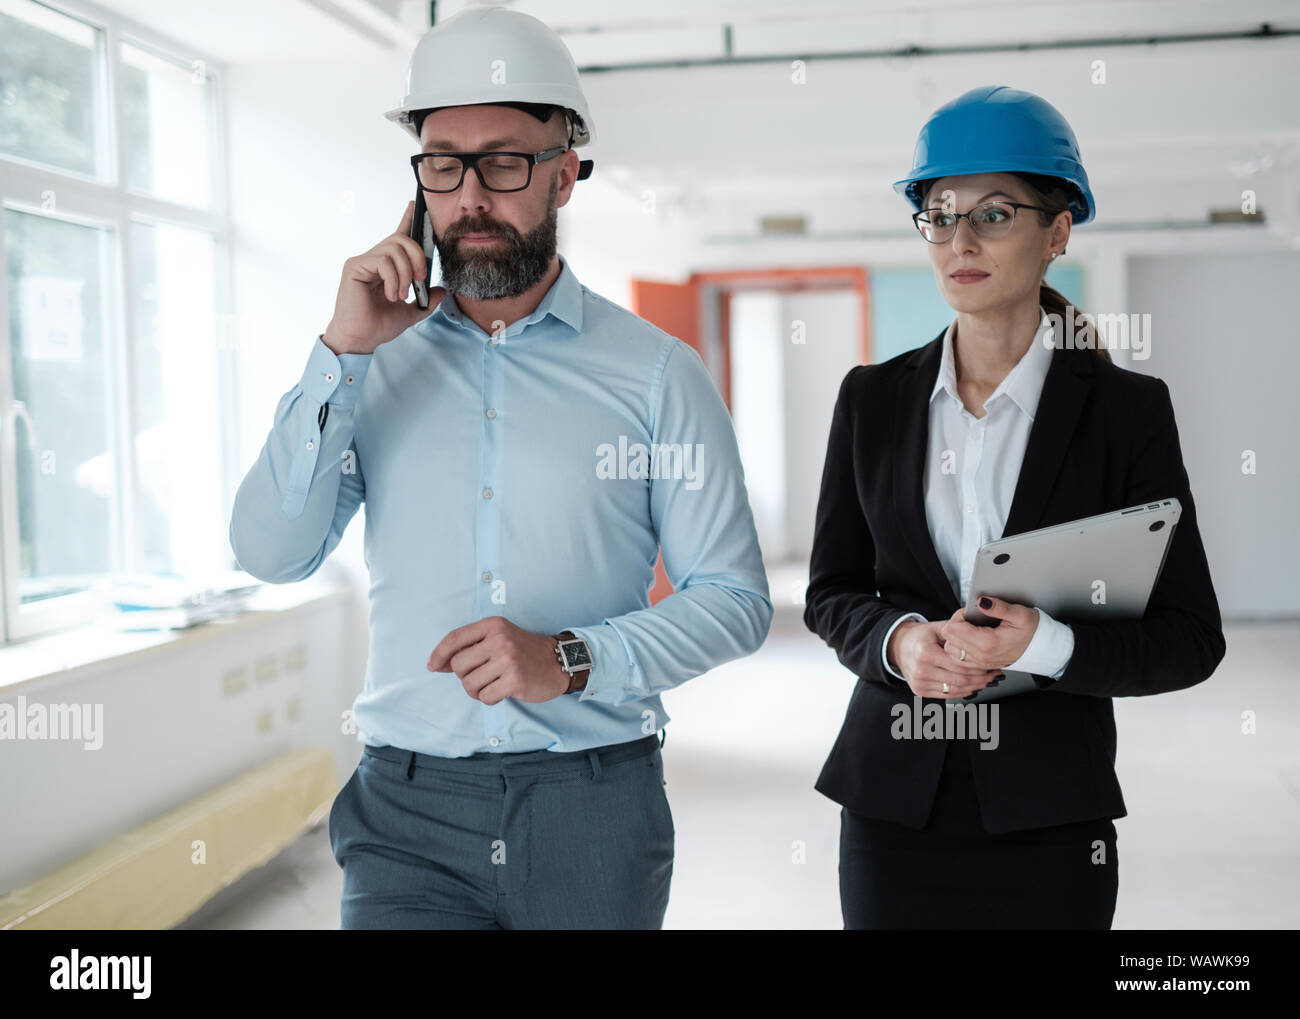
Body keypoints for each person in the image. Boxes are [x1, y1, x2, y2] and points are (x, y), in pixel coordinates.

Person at [228, 6, 771, 930]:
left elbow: (735, 598)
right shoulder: (371, 364)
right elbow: (271, 552)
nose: (470, 195)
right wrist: (339, 352)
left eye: (505, 162)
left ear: (564, 175)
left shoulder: (657, 374)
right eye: (444, 163)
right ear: (418, 185)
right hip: (405, 808)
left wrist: (571, 657)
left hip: (591, 804)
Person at [802, 85, 1225, 929]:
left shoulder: (1125, 411)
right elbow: (831, 591)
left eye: (994, 214)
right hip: (890, 809)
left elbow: (1189, 638)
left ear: (1057, 231)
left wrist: (1051, 644)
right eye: (940, 213)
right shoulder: (872, 400)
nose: (959, 239)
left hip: (1051, 820)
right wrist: (900, 641)